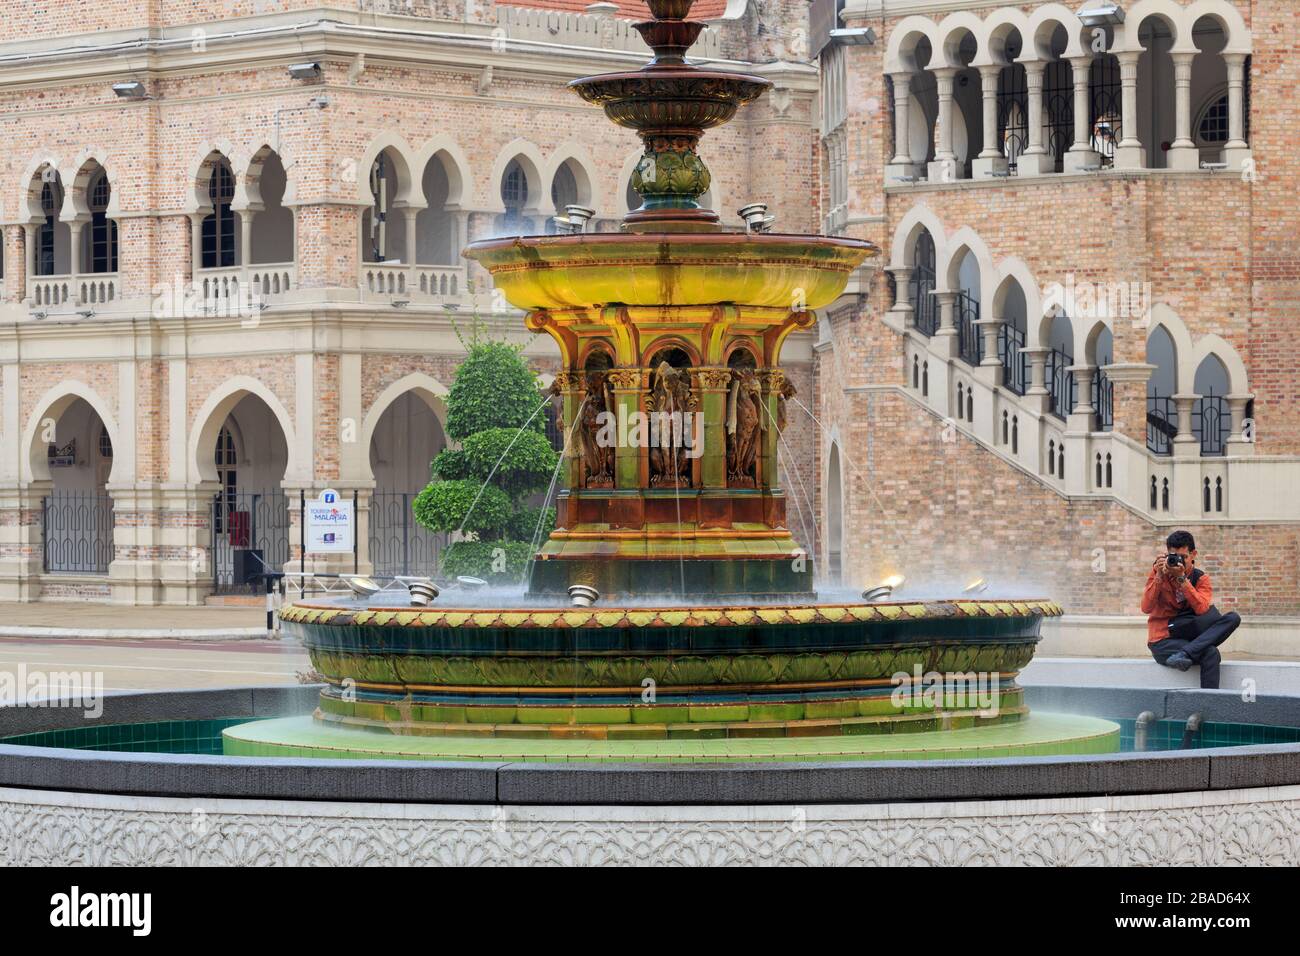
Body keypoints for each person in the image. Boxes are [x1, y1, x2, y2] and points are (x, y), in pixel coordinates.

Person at [1141, 530, 1241, 689]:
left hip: (1188, 636)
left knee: (1233, 618)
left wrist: (1182, 579)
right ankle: (1187, 655)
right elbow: (1146, 607)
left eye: (1184, 557)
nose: (1178, 561)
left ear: (1193, 554)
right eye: (1173, 556)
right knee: (1211, 652)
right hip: (1163, 640)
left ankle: (1206, 701)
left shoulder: (1201, 578)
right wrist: (1159, 576)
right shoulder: (1158, 572)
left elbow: (1202, 609)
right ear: (1167, 555)